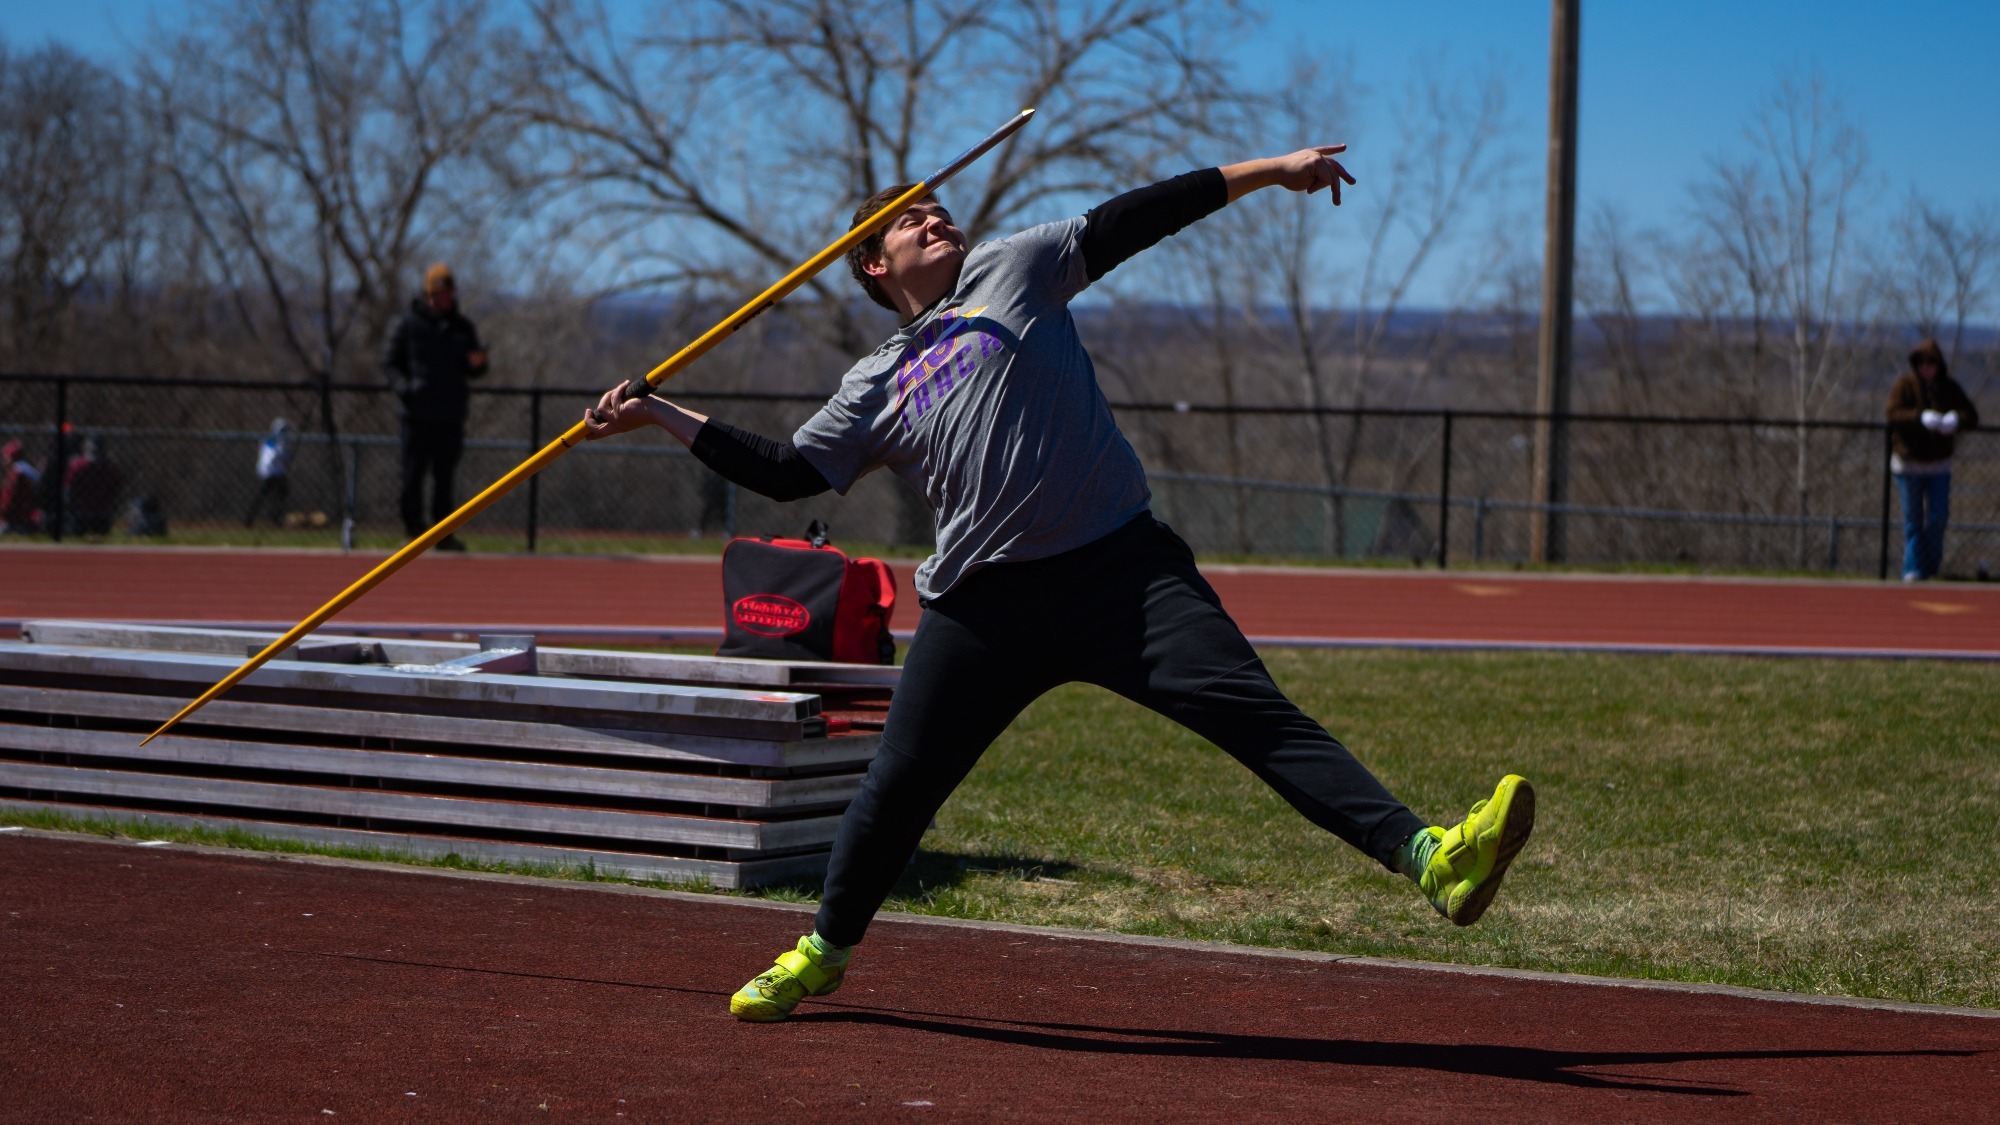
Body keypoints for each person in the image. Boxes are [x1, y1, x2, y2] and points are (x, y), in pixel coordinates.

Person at [584, 147, 1536, 1023]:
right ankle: (824, 950)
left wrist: (1271, 170)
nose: (938, 220)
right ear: (873, 264)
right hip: (984, 607)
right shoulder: (875, 378)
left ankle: (1432, 857)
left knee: (1258, 715)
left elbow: (1138, 217)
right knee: (896, 789)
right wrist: (661, 412)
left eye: (940, 209)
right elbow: (790, 469)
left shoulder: (1018, 265)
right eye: (914, 221)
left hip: (1121, 570)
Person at [382, 262, 488, 551]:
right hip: (416, 416)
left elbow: (474, 367)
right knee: (411, 476)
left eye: (450, 293)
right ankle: (413, 532)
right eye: (441, 293)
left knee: (445, 479)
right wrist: (407, 389)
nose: (446, 299)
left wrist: (478, 363)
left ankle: (443, 534)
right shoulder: (408, 325)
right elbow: (389, 363)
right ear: (429, 294)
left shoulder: (462, 327)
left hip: (450, 415)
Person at [1885, 338, 1979, 581]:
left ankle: (1930, 566)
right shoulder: (1904, 385)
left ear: (1939, 365)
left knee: (1938, 517)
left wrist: (1956, 420)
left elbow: (1972, 415)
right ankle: (1914, 571)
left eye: (1931, 362)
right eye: (1921, 362)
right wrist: (1919, 417)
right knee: (1913, 520)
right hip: (1908, 464)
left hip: (1939, 465)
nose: (1926, 367)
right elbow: (1892, 413)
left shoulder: (1948, 388)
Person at [63, 435, 123, 537]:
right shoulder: (111, 467)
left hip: (86, 511)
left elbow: (68, 488)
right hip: (95, 511)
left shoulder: (78, 464)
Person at [244, 418, 295, 527]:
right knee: (275, 494)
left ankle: (267, 517)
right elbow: (278, 456)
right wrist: (288, 455)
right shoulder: (279, 441)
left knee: (272, 495)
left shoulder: (269, 440)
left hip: (268, 471)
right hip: (273, 472)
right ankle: (273, 517)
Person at [0, 440, 42, 535]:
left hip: (17, 520)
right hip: (23, 517)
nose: (3, 459)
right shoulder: (23, 469)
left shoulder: (17, 472)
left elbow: (9, 500)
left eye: (5, 456)